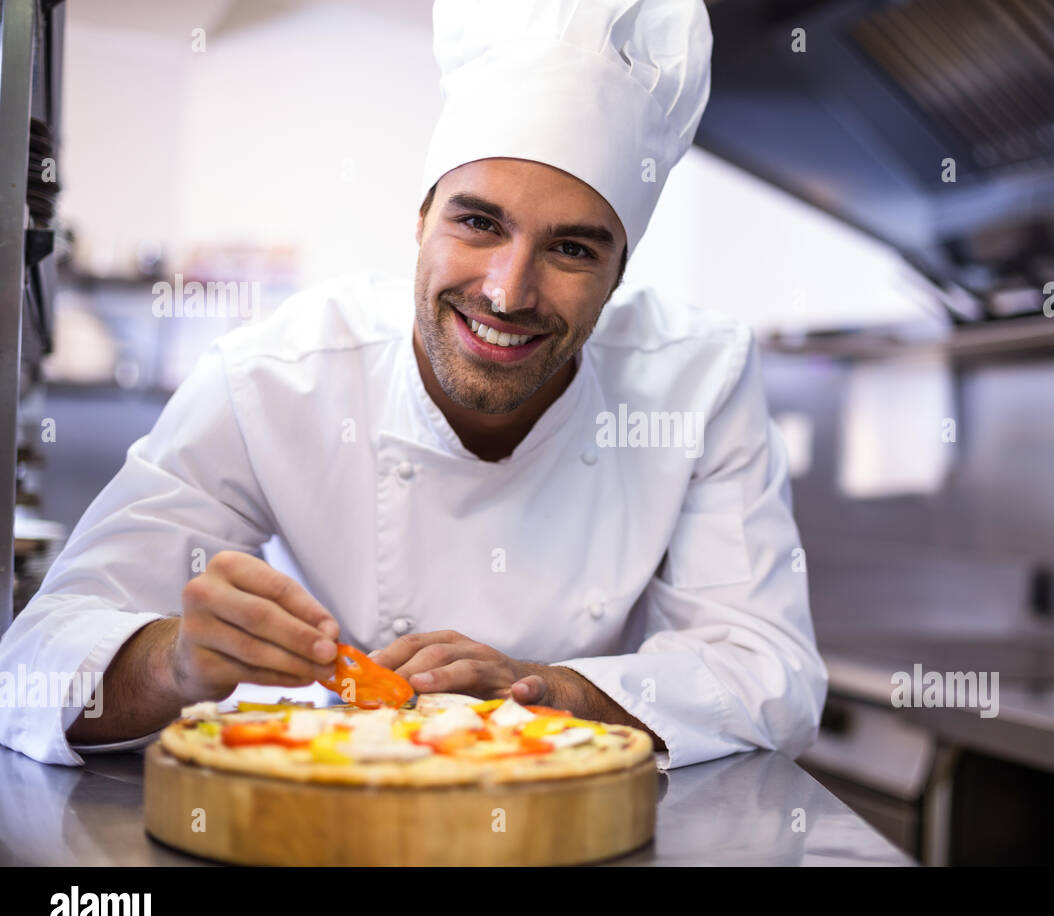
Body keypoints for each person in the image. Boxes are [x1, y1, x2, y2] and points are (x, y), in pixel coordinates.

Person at [0, 0, 826, 769]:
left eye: (573, 249)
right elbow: (28, 668)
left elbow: (772, 674)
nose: (508, 292)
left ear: (618, 274)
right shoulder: (275, 378)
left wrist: (541, 694)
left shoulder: (697, 378)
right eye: (479, 222)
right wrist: (174, 661)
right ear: (421, 221)